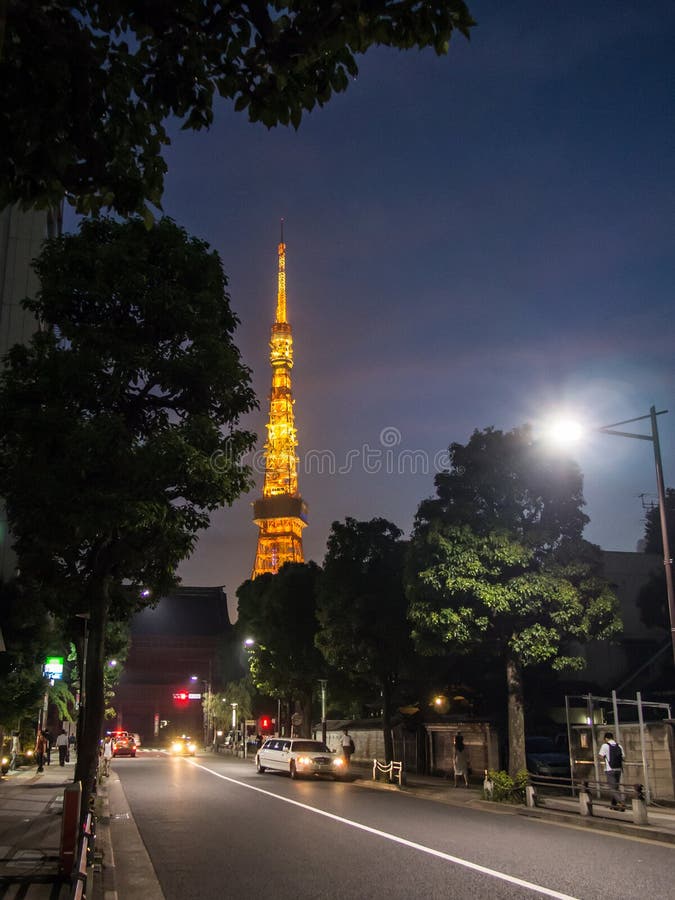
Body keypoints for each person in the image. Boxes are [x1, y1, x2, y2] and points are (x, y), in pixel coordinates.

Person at [599, 731, 625, 811]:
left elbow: (600, 756)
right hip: (618, 769)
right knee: (616, 787)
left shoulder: (605, 745)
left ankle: (621, 803)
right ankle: (614, 805)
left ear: (606, 738)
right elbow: (623, 757)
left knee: (612, 788)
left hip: (610, 769)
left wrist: (605, 759)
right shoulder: (619, 746)